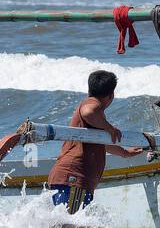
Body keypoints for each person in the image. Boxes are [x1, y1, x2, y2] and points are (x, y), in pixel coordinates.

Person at [47, 69, 148, 214]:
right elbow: (89, 112)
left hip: (69, 177)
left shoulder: (94, 114)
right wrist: (110, 128)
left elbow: (102, 143)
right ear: (111, 95)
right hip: (74, 178)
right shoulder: (92, 104)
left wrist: (125, 153)